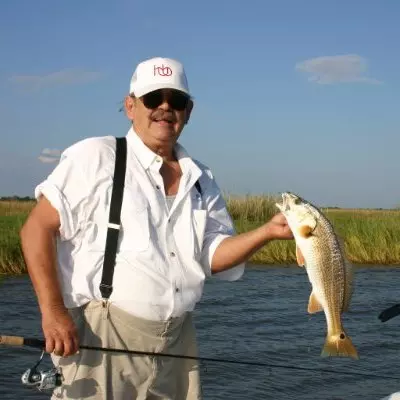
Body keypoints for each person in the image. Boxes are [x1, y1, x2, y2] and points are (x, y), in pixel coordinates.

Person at [20, 56, 294, 400]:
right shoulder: (96, 156)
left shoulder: (201, 178)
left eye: (175, 100)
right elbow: (36, 229)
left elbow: (212, 256)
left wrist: (266, 232)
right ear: (131, 105)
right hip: (102, 334)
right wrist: (53, 313)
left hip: (179, 337)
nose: (165, 108)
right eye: (154, 98)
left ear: (188, 111)